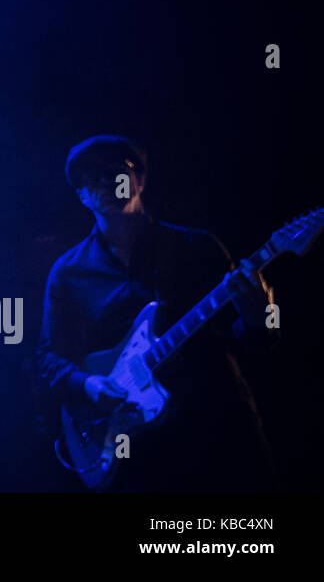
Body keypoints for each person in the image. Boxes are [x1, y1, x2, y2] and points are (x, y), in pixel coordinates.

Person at [35, 135, 279, 491]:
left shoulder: (196, 247)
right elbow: (48, 356)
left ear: (141, 179)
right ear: (81, 195)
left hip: (217, 428)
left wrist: (264, 313)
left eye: (115, 169)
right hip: (137, 447)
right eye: (91, 176)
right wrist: (89, 385)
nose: (104, 181)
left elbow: (262, 343)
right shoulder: (68, 272)